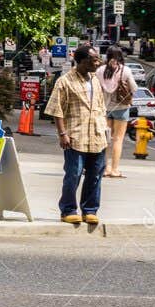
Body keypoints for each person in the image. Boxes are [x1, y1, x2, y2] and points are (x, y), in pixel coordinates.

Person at [48, 42, 108, 226]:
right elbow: (56, 110)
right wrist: (62, 134)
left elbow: (100, 107)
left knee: (95, 174)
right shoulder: (64, 81)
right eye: (93, 59)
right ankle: (68, 209)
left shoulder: (96, 80)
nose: (97, 63)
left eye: (98, 59)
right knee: (73, 173)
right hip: (75, 135)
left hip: (97, 135)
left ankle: (90, 210)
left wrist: (105, 131)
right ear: (81, 61)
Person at [100, 44, 136, 178]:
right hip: (121, 108)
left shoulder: (101, 70)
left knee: (105, 139)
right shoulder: (125, 70)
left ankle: (105, 168)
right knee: (118, 139)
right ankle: (115, 169)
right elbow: (134, 88)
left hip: (105, 108)